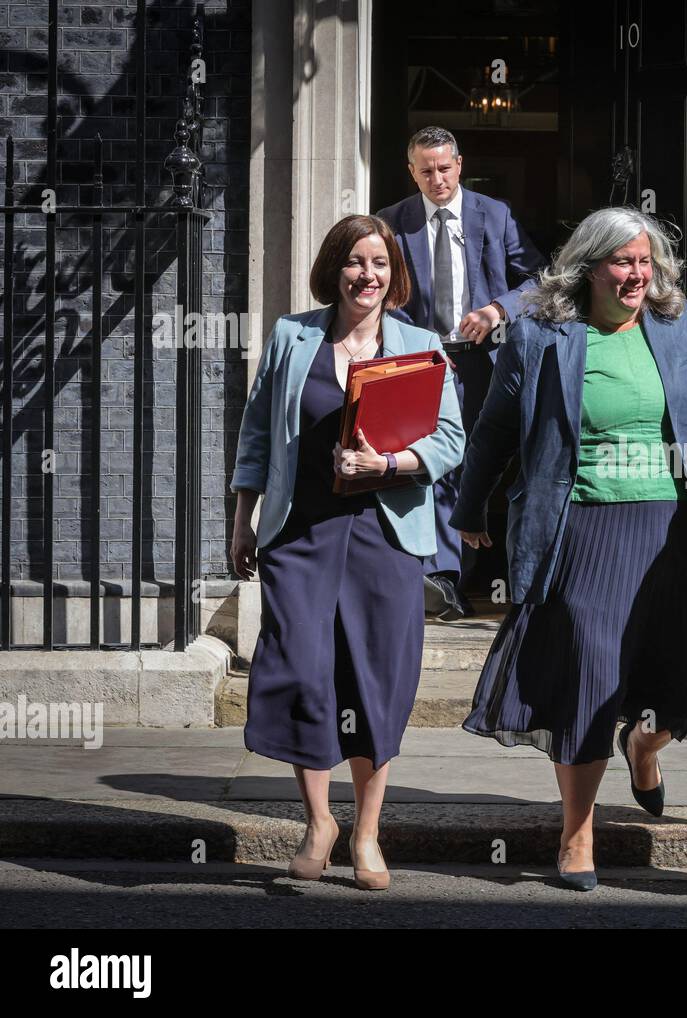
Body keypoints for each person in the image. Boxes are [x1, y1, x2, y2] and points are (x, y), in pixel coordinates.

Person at [450, 207, 687, 891]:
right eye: (623, 262)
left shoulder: (680, 324)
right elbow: (495, 429)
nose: (637, 273)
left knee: (680, 682)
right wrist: (469, 509)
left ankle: (644, 747)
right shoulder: (539, 334)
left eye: (645, 261)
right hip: (583, 529)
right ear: (589, 266)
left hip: (673, 530)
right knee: (590, 678)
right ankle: (576, 834)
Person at [229, 214, 465, 890]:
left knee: (374, 682)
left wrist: (390, 465)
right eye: (357, 262)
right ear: (334, 269)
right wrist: (243, 520)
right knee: (302, 672)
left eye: (381, 264)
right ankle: (317, 821)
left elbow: (452, 440)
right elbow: (255, 432)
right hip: (300, 531)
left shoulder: (420, 345)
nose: (369, 275)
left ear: (395, 276)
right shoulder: (292, 336)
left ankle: (365, 831)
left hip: (382, 535)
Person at [376, 126, 547, 621]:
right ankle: (443, 580)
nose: (437, 179)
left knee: (473, 463)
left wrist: (497, 309)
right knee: (432, 464)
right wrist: (422, 345)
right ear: (411, 171)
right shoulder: (392, 222)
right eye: (425, 170)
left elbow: (538, 280)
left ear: (460, 164)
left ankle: (461, 578)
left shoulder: (495, 215)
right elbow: (383, 295)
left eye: (444, 168)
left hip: (485, 360)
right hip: (421, 360)